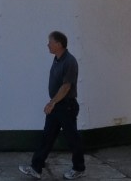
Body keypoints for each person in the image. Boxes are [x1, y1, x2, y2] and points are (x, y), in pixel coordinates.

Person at [19, 31, 85, 180]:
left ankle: (79, 168)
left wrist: (52, 102)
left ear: (59, 44)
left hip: (66, 106)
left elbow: (66, 87)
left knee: (72, 138)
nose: (47, 44)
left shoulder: (69, 61)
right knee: (47, 137)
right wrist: (54, 104)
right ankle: (36, 168)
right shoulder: (57, 59)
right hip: (57, 106)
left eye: (50, 42)